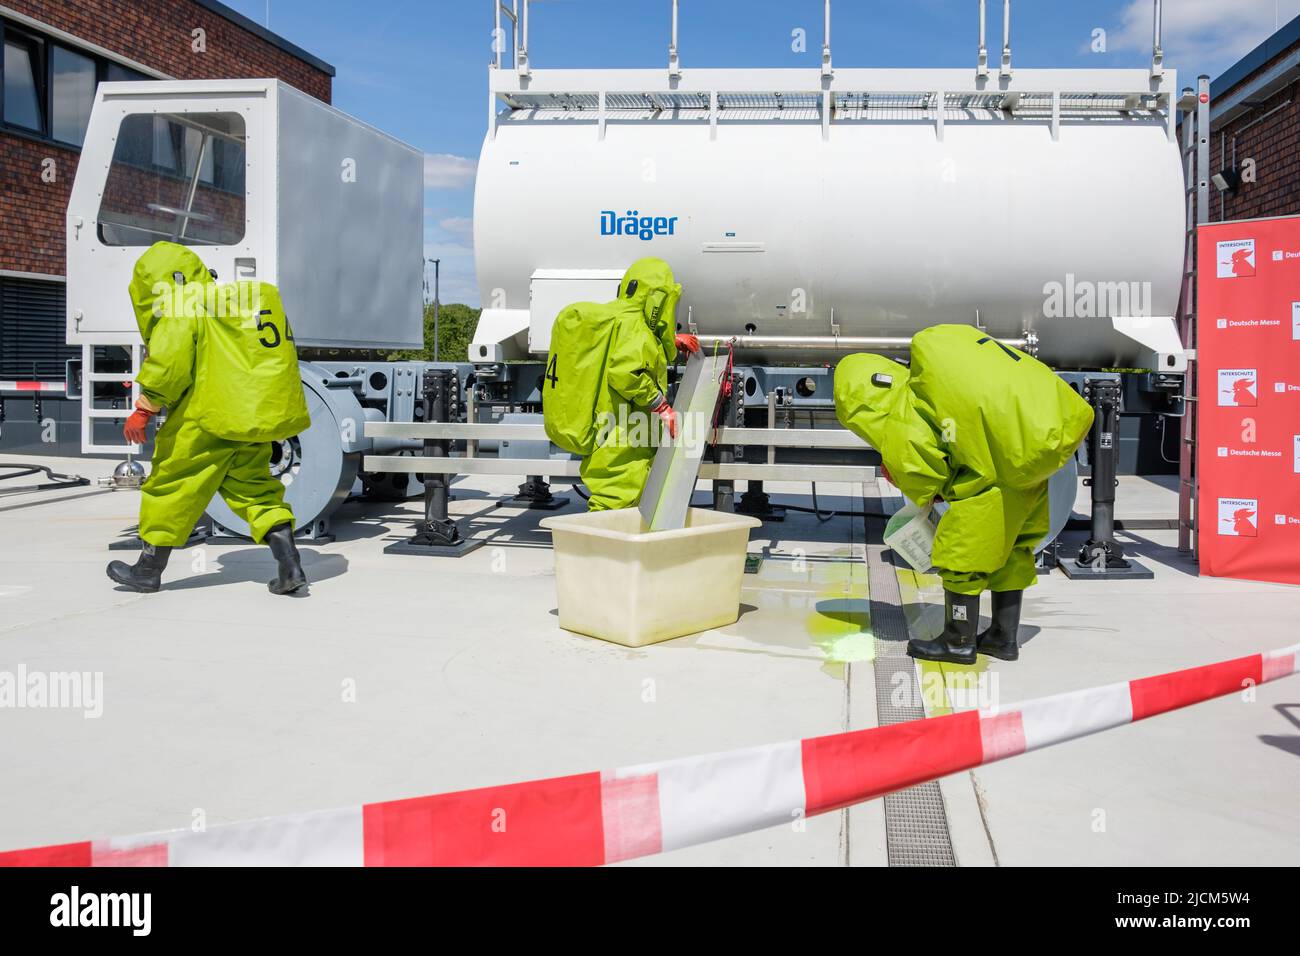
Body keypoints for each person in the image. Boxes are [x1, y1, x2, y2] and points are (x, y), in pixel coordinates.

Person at [834, 324, 1094, 663]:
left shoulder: (903, 410)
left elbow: (921, 472)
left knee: (960, 556)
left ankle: (957, 641)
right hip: (1025, 465)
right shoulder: (929, 388)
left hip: (988, 483)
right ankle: (1003, 637)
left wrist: (916, 486)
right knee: (1014, 549)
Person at [106, 242, 312, 595]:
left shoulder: (182, 305)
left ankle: (147, 570)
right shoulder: (226, 305)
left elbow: (170, 365)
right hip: (245, 418)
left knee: (170, 486)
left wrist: (144, 409)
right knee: (257, 491)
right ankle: (290, 564)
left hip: (203, 419)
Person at [542, 257, 698, 511]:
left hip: (611, 430)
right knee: (617, 496)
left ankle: (607, 547)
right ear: (658, 299)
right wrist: (662, 407)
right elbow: (626, 373)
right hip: (622, 435)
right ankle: (602, 549)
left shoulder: (621, 317)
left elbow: (630, 347)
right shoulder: (636, 327)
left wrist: (671, 340)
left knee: (616, 495)